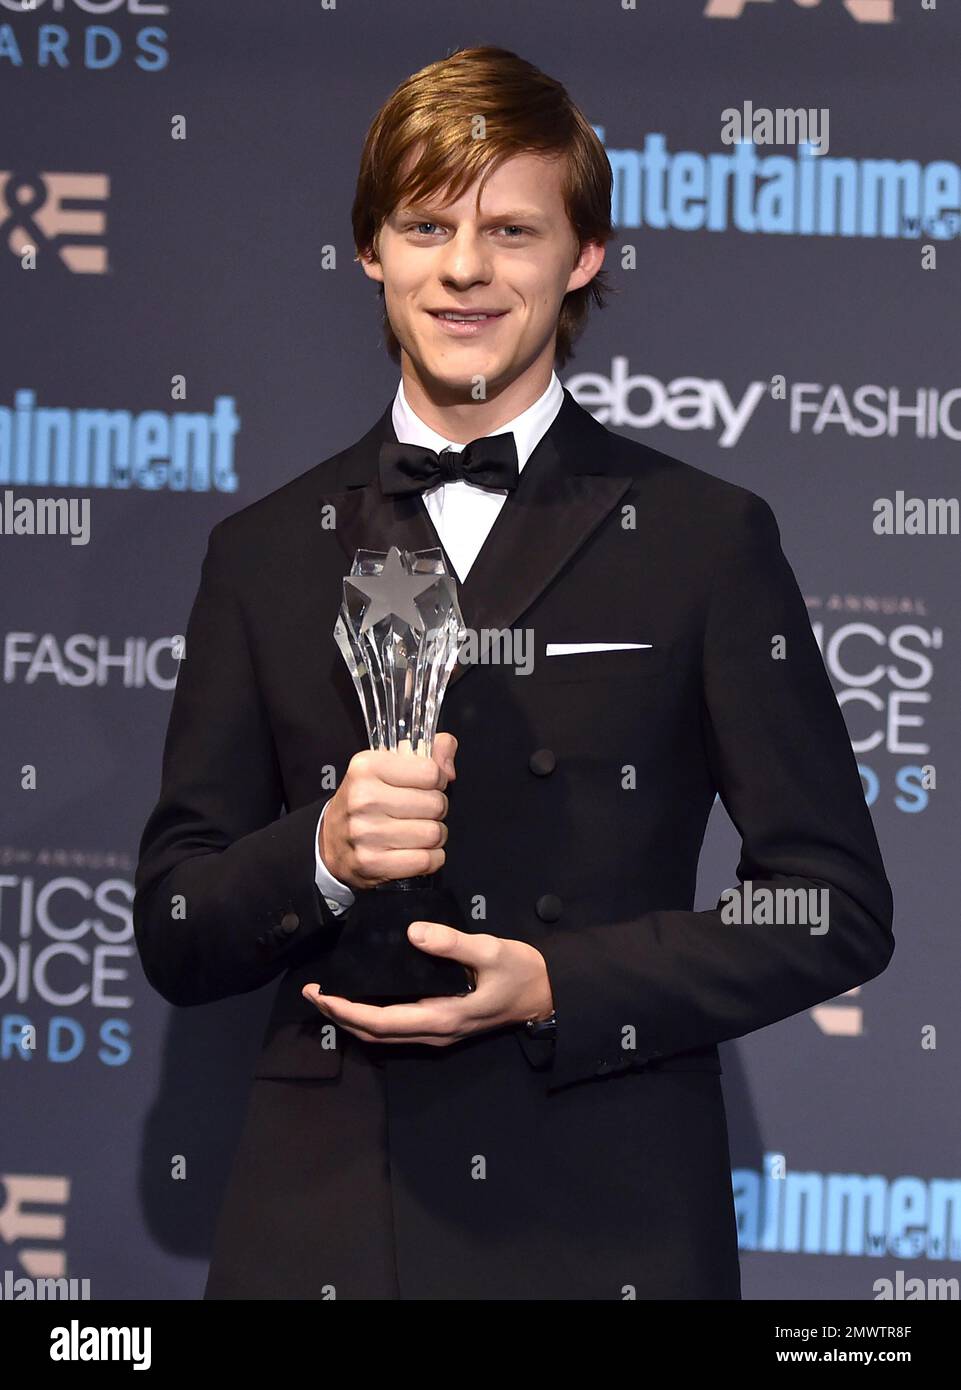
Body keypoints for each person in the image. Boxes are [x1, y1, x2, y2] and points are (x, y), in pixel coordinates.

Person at [134, 45, 894, 1300]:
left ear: (583, 255)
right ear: (371, 250)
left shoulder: (704, 537)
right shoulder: (262, 553)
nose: (466, 268)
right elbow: (176, 928)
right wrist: (318, 849)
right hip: (328, 1216)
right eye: (426, 224)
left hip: (603, 1211)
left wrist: (564, 983)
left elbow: (831, 905)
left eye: (511, 227)